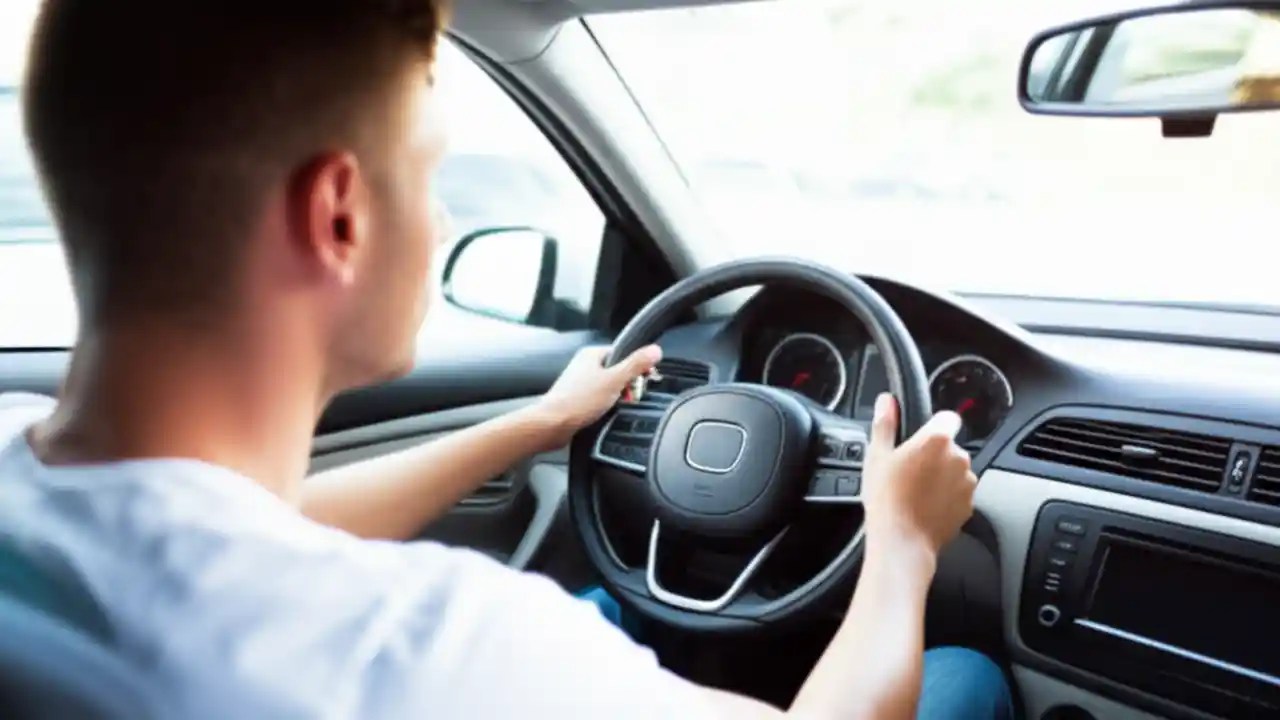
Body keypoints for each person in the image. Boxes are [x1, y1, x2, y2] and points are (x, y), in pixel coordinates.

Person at [0, 2, 1012, 718]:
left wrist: (537, 424)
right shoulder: (429, 651)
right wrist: (900, 545)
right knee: (960, 679)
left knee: (608, 613)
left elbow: (232, 533)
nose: (440, 220)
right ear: (337, 214)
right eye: (429, 176)